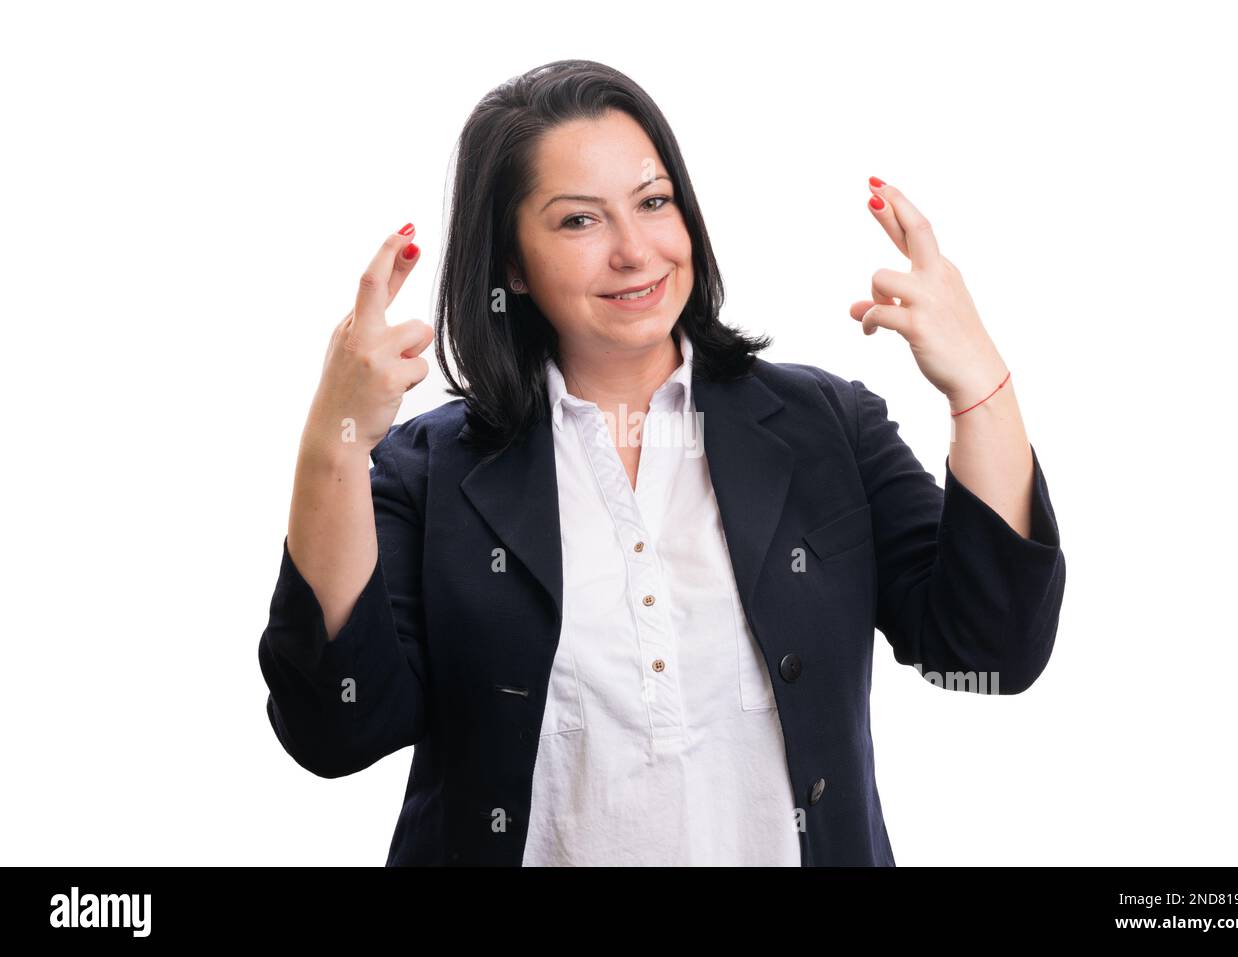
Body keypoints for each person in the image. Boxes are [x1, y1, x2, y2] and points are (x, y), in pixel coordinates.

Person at [257, 59, 1066, 866]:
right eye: (579, 221)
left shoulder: (826, 426)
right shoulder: (428, 471)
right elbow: (336, 727)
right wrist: (337, 439)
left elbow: (990, 648)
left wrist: (978, 381)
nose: (635, 251)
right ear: (511, 266)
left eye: (653, 202)